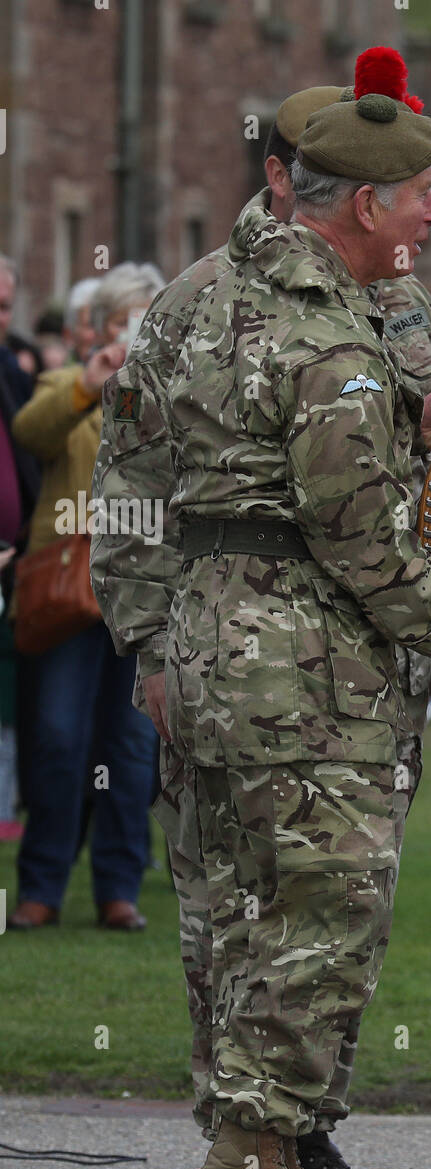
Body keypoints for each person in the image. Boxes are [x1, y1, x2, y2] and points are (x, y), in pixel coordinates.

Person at [99, 76, 431, 1169]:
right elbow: (356, 532)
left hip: (212, 647)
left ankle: (266, 1156)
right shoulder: (328, 333)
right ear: (356, 206)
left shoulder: (204, 297)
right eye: (417, 195)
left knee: (239, 910)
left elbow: (132, 478)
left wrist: (150, 637)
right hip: (302, 665)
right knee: (319, 909)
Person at [8, 262, 163, 932]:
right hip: (68, 591)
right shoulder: (60, 384)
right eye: (128, 319)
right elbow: (30, 433)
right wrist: (88, 383)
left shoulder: (176, 393)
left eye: (149, 319)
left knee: (130, 745)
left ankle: (118, 888)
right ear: (100, 327)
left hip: (140, 590)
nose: (138, 331)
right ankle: (41, 885)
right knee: (57, 737)